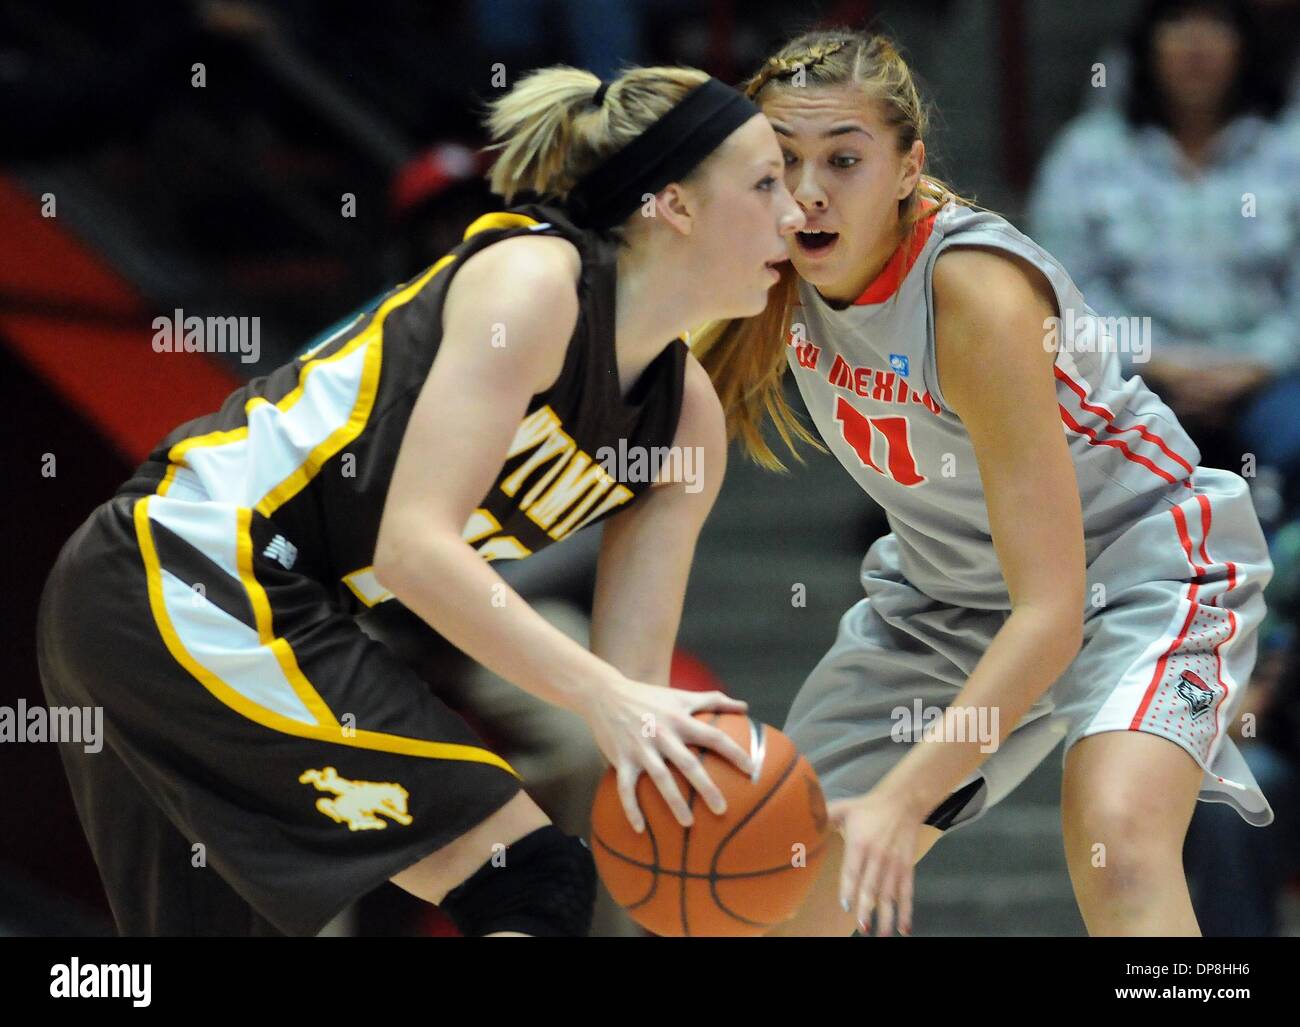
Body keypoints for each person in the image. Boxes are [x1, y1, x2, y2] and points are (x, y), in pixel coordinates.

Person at [36, 64, 805, 937]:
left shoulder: (686, 421)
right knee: (528, 877)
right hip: (194, 571)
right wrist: (607, 698)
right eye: (765, 183)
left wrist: (728, 813)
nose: (794, 213)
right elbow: (414, 547)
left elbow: (630, 692)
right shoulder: (535, 282)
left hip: (223, 603)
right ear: (674, 204)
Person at [693, 28, 1275, 937]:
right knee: (784, 882)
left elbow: (1050, 610)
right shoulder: (765, 263)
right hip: (946, 593)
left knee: (1119, 844)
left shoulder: (974, 294)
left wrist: (903, 799)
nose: (807, 191)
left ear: (907, 168)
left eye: (843, 159)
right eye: (783, 160)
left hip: (1140, 570)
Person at [1028, 0, 1300, 520]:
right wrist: (1155, 360)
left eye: (1217, 22)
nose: (1196, 43)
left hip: (1272, 377)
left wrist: (1253, 365)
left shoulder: (1290, 149)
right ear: (1145, 45)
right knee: (1057, 426)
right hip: (1129, 376)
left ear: (1246, 44)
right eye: (1177, 22)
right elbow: (1059, 293)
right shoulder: (1087, 153)